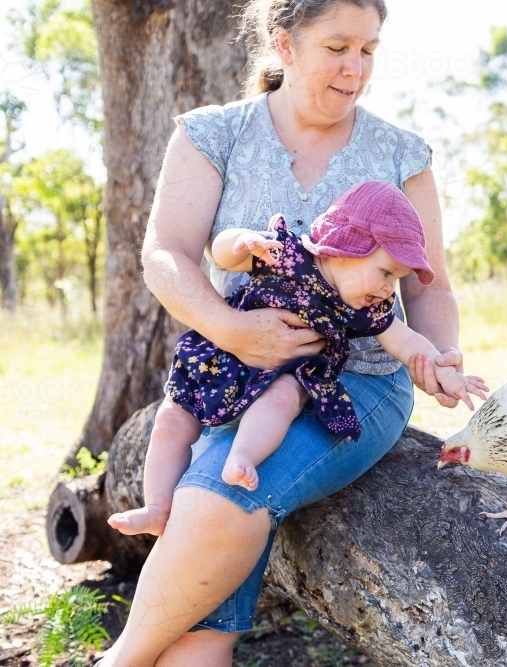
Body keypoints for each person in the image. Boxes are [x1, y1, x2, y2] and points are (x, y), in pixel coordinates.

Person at [98, 1, 465, 664]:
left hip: (353, 381)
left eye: (370, 50)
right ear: (285, 45)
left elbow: (427, 287)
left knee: (214, 500)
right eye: (338, 47)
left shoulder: (402, 154)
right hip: (237, 370)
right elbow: (167, 254)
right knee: (200, 616)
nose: (357, 68)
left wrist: (440, 357)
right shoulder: (214, 134)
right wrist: (232, 329)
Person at [106, 182, 487, 537]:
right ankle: (156, 505)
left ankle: (242, 458)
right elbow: (220, 252)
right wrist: (242, 242)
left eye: (397, 277)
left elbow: (406, 341)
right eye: (386, 272)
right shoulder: (284, 254)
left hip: (292, 371)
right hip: (227, 356)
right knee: (172, 418)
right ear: (347, 247)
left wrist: (443, 369)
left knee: (284, 400)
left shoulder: (368, 306)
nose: (390, 288)